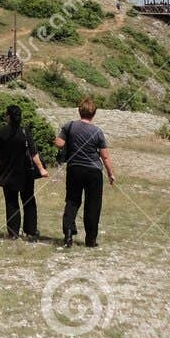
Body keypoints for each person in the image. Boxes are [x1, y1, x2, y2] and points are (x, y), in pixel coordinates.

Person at [55, 97, 115, 248]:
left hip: (75, 167)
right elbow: (105, 156)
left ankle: (68, 233)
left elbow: (59, 143)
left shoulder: (70, 126)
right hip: (93, 170)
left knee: (72, 200)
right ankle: (90, 239)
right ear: (94, 113)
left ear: (79, 111)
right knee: (93, 204)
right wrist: (110, 173)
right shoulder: (97, 132)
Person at [0, 104, 46, 239]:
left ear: (8, 116)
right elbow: (33, 153)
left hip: (8, 171)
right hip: (25, 172)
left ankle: (13, 232)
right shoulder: (25, 132)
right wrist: (41, 169)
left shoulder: (1, 132)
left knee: (11, 202)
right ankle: (30, 230)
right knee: (28, 201)